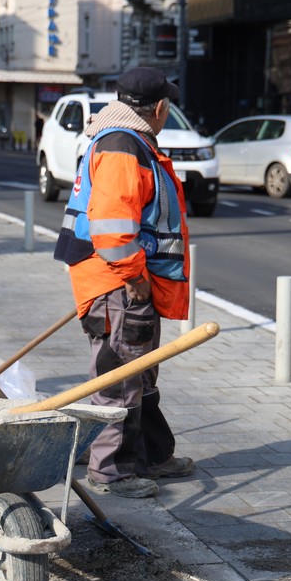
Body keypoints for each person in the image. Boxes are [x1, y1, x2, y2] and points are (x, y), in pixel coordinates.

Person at [52, 66, 193, 499]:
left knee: (141, 372)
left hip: (121, 280)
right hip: (118, 282)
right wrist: (135, 277)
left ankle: (152, 456)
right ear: (160, 107)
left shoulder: (126, 140)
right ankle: (111, 471)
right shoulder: (122, 147)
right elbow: (113, 229)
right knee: (119, 375)